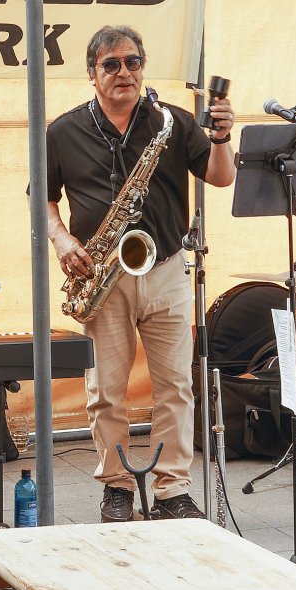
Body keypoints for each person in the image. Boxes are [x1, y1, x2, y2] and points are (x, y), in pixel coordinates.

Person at [44, 25, 235, 522]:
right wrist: (62, 241)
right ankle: (116, 486)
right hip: (102, 273)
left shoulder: (170, 121)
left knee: (176, 387)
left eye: (133, 62)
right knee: (106, 391)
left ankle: (173, 489)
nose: (124, 72)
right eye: (111, 64)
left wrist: (221, 138)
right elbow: (40, 199)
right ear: (92, 74)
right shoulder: (63, 132)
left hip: (166, 267)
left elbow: (221, 176)